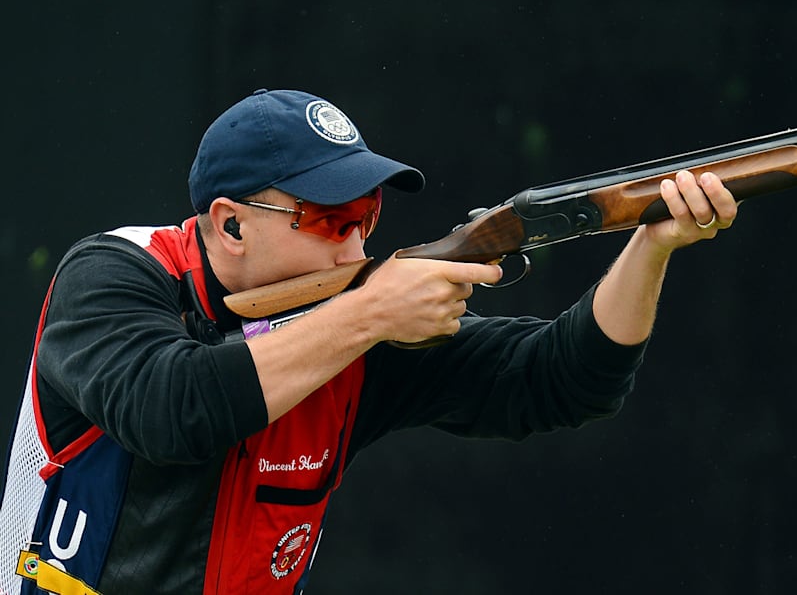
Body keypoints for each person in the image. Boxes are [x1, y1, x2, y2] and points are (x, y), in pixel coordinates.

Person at [0, 88, 736, 594]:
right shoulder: (111, 274)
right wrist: (370, 315)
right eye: (329, 220)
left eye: (367, 216)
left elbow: (565, 381)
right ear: (230, 224)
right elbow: (170, 410)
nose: (355, 248)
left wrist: (651, 246)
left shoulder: (357, 323)